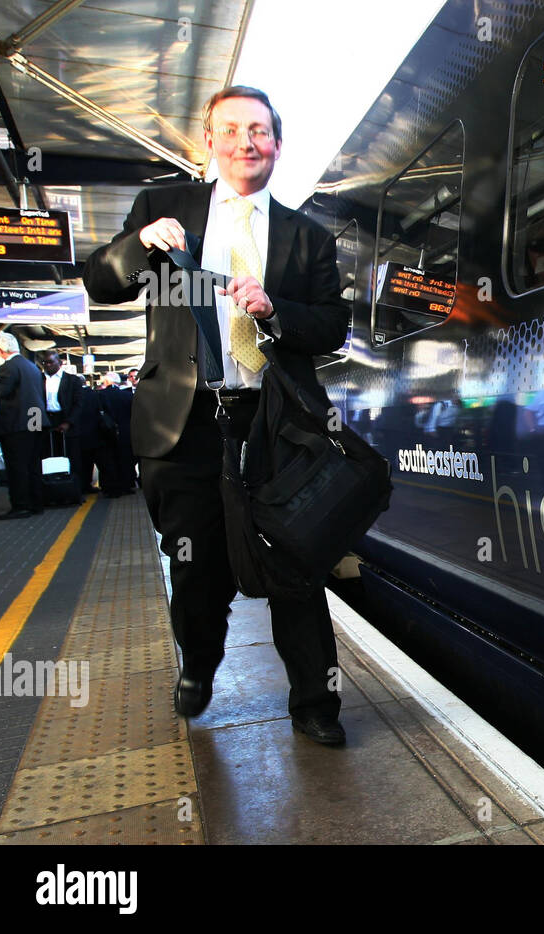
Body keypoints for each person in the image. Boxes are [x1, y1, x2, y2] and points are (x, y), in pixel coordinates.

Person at [82, 86, 350, 745]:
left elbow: (333, 328)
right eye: (229, 129)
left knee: (297, 561)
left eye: (258, 130)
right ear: (209, 140)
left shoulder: (307, 237)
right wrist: (139, 243)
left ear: (277, 145)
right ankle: (199, 666)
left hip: (275, 423)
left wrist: (275, 311)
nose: (244, 141)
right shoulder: (161, 208)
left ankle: (315, 700)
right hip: (185, 422)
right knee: (195, 564)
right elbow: (102, 280)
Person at [0, 331, 49, 519]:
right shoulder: (32, 367)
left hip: (17, 424)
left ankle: (21, 505)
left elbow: (2, 391)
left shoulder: (8, 367)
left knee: (17, 466)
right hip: (36, 420)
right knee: (33, 463)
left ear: (0, 350)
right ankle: (36, 503)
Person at [39, 351, 86, 504]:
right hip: (46, 421)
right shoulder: (39, 380)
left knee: (72, 458)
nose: (47, 365)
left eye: (50, 362)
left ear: (59, 363)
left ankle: (74, 492)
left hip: (66, 420)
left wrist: (68, 422)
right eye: (45, 363)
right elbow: (33, 403)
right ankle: (50, 493)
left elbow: (79, 404)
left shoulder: (72, 381)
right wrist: (34, 426)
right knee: (47, 457)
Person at [96, 372, 135, 496]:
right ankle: (127, 485)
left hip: (105, 433)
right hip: (126, 432)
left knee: (108, 460)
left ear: (107, 382)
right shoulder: (128, 396)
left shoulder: (99, 396)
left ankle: (110, 487)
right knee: (126, 459)